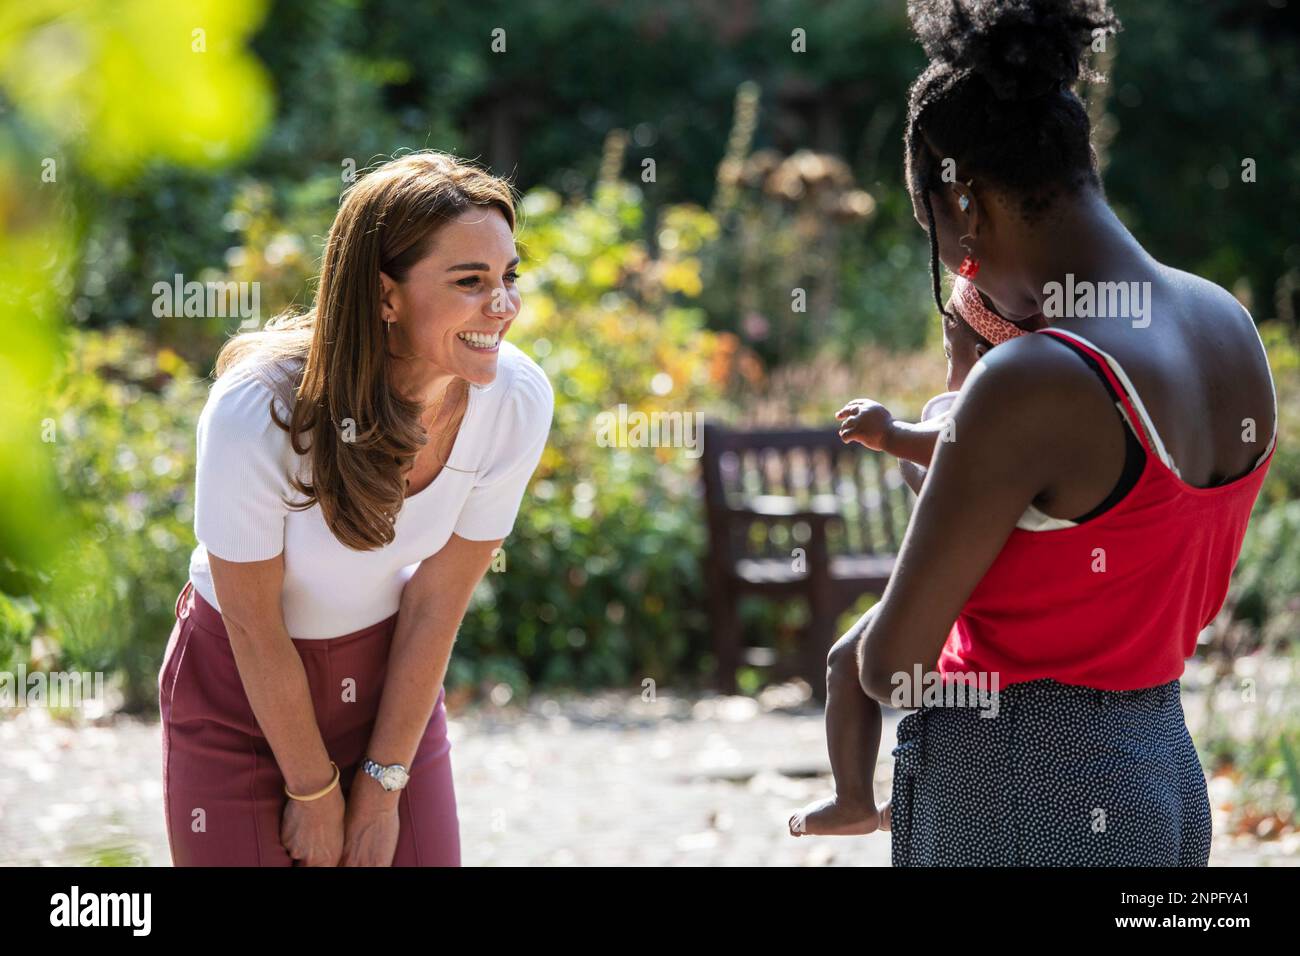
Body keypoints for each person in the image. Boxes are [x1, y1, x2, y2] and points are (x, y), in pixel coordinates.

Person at [846, 0, 1277, 865]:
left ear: (965, 202)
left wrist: (923, 470)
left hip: (1015, 791)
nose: (958, 274)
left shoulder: (1034, 380)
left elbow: (894, 666)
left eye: (938, 234)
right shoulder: (1227, 325)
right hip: (1161, 774)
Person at [158, 152, 554, 866]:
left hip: (389, 690)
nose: (502, 306)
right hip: (238, 690)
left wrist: (380, 786)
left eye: (508, 278)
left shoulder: (518, 400)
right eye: (470, 281)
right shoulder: (257, 411)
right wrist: (313, 794)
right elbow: (253, 625)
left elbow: (437, 602)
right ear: (384, 296)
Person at [788, 276, 1026, 836]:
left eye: (955, 354)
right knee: (847, 660)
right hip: (945, 584)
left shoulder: (1003, 410)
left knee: (933, 687)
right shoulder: (961, 406)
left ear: (989, 353)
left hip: (978, 593)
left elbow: (959, 446)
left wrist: (893, 435)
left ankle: (914, 794)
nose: (949, 371)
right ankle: (853, 797)